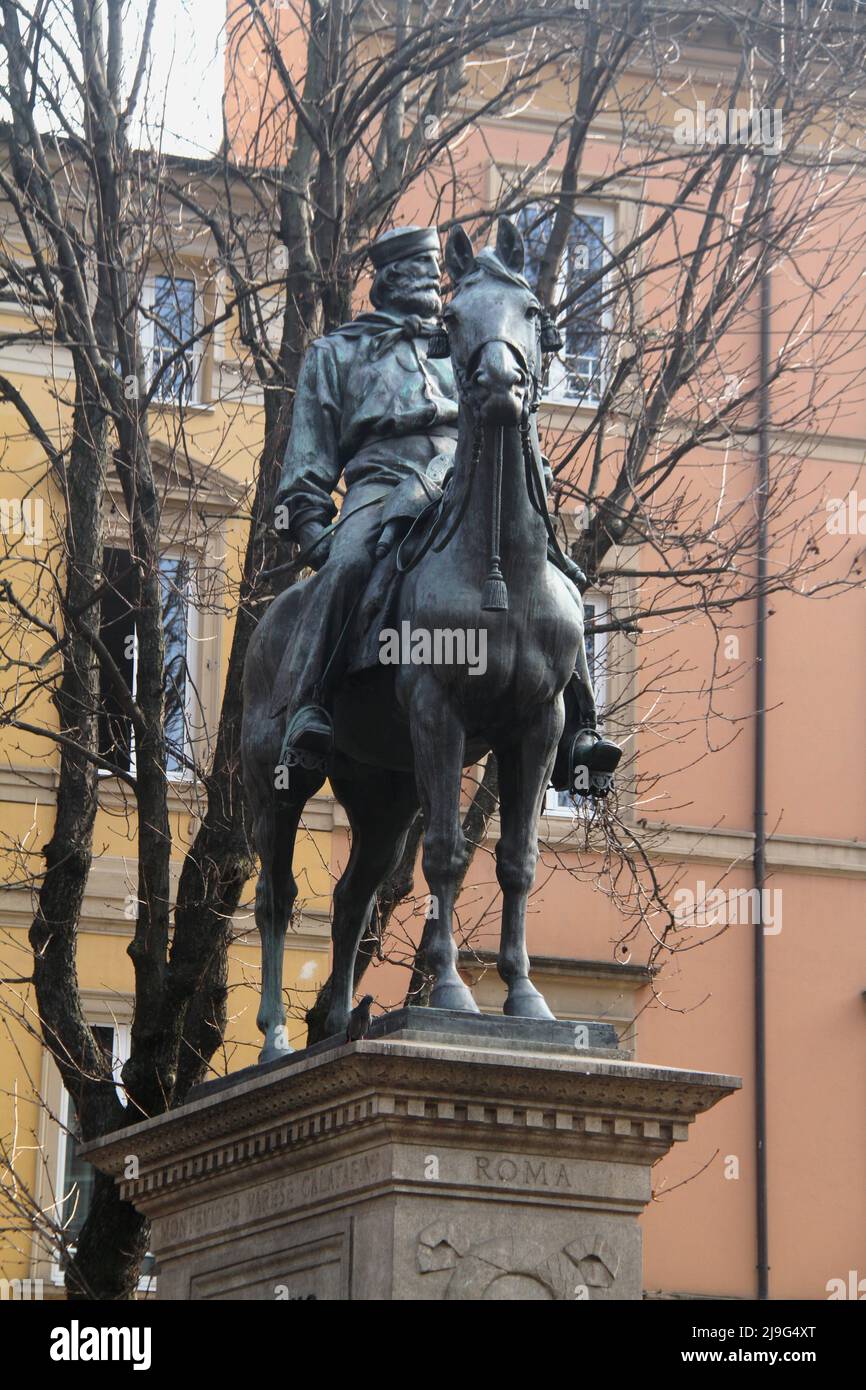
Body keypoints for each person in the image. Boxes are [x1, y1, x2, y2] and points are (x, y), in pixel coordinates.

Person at [271, 224, 620, 793]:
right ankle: (308, 708)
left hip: (465, 474)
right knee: (351, 564)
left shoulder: (469, 333)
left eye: (430, 273)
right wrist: (313, 532)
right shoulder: (337, 353)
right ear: (383, 281)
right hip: (382, 481)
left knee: (551, 572)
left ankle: (580, 726)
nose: (425, 284)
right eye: (408, 271)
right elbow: (306, 469)